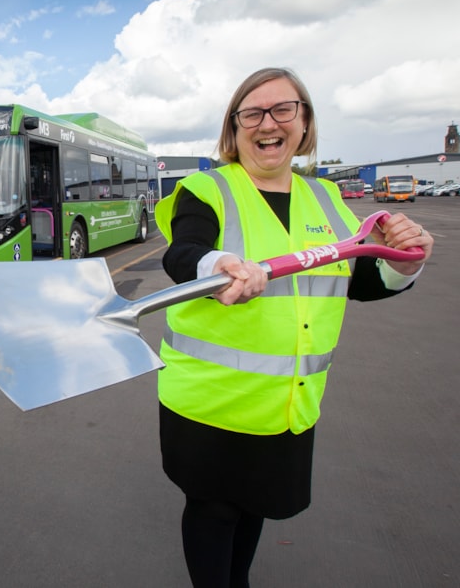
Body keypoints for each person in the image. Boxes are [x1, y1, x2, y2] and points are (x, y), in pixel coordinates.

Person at [153, 67, 433, 588]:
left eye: (284, 109)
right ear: (233, 129)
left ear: (304, 123)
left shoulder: (326, 199)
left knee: (254, 508)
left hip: (287, 401)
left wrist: (405, 263)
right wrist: (215, 267)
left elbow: (361, 279)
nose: (268, 123)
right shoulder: (205, 188)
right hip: (208, 403)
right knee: (215, 513)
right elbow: (183, 249)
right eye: (252, 113)